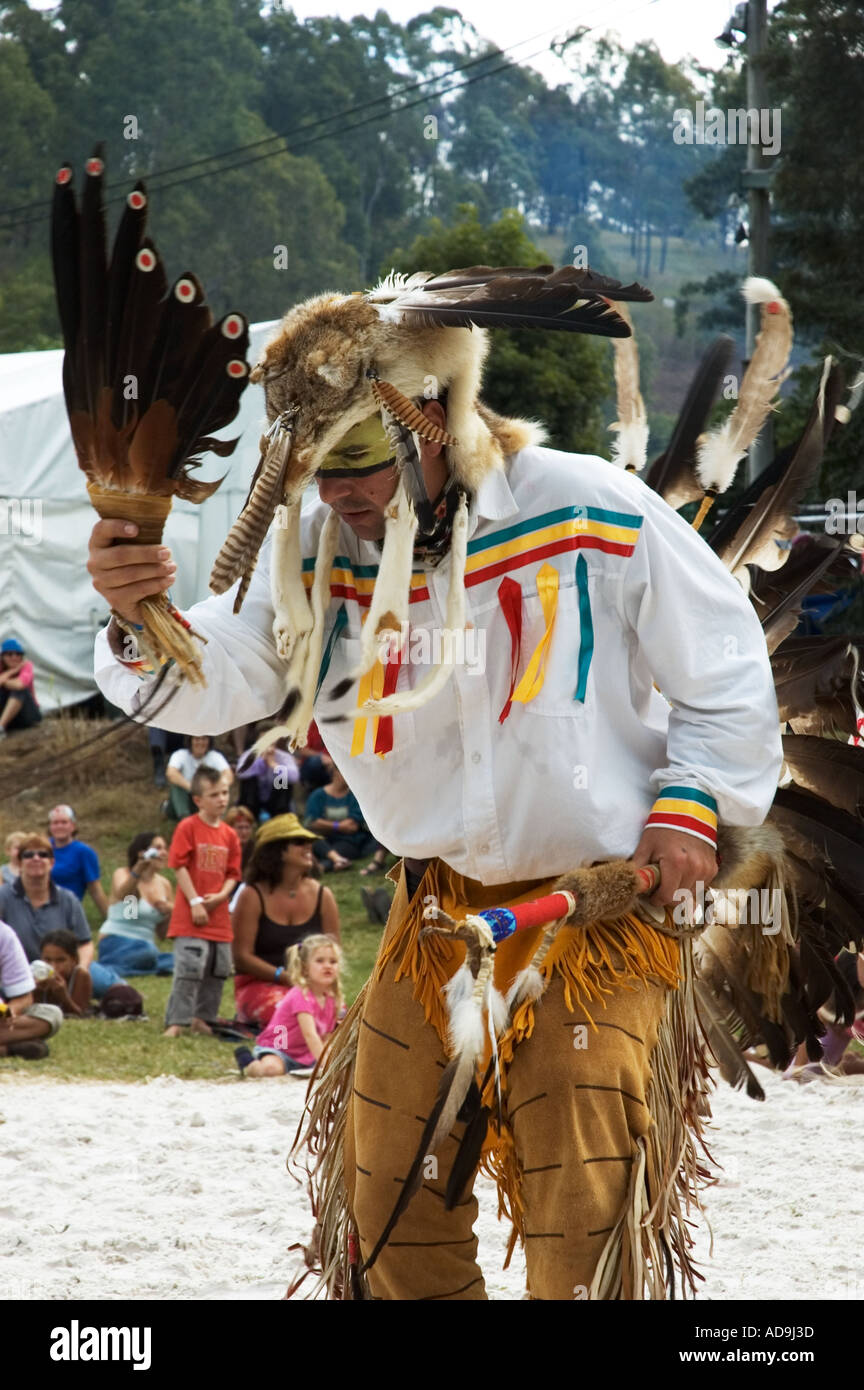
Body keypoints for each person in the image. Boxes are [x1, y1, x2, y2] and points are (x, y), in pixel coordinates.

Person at [88, 270, 782, 1300]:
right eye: (315, 473)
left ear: (437, 415)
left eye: (360, 463)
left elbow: (724, 666)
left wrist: (692, 808)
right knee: (386, 1202)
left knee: (579, 1202)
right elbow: (217, 674)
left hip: (593, 916)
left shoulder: (585, 505)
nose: (339, 495)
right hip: (436, 923)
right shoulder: (320, 551)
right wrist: (132, 614)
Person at [232, 813, 340, 1027]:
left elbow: (333, 951)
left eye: (310, 842)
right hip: (260, 984)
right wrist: (284, 976)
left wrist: (316, 980)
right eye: (300, 842)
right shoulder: (252, 896)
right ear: (277, 851)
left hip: (312, 986)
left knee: (341, 1019)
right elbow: (241, 957)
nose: (309, 847)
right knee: (291, 1013)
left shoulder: (323, 895)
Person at [162, 767, 241, 1037]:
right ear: (198, 800)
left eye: (225, 792)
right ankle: (177, 1021)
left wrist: (221, 896)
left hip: (218, 917)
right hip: (191, 915)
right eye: (214, 794)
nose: (222, 799)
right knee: (189, 968)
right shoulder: (188, 827)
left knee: (217, 970)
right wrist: (195, 900)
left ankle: (203, 1017)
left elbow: (233, 873)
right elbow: (178, 865)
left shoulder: (230, 834)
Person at [235, 934, 343, 1077]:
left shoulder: (332, 999)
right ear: (305, 968)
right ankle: (248, 1062)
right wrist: (327, 1066)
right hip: (281, 1049)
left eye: (333, 961)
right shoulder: (301, 995)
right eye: (320, 961)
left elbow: (327, 1036)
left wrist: (331, 1057)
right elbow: (309, 1034)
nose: (328, 966)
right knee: (271, 1070)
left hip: (307, 1053)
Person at [0, 834, 93, 967]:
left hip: (61, 972)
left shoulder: (68, 899)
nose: (36, 858)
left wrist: (80, 970)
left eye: (43, 854)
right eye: (28, 855)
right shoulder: (2, 897)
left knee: (117, 987)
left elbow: (85, 944)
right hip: (14, 974)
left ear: (52, 863)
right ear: (20, 863)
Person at [97, 833, 175, 976]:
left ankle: (140, 968)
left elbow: (163, 935)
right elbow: (129, 913)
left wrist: (171, 911)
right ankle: (151, 968)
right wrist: (138, 869)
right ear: (142, 853)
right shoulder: (124, 874)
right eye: (158, 848)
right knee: (149, 952)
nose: (164, 852)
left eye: (165, 848)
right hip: (116, 941)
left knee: (179, 959)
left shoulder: (164, 884)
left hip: (145, 947)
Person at [0, 919, 62, 1060]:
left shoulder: (4, 935)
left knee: (51, 1015)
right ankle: (8, 1049)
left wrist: (9, 1012)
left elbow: (24, 997)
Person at [304, 767, 381, 871]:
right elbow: (312, 822)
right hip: (323, 838)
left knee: (344, 849)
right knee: (312, 837)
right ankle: (336, 859)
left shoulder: (355, 796)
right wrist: (338, 826)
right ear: (335, 772)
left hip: (348, 840)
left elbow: (352, 826)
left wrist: (324, 824)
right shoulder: (318, 795)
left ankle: (323, 865)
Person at [48, 806, 109, 918]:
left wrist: (109, 920)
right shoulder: (42, 848)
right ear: (50, 827)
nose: (59, 826)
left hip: (67, 910)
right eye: (55, 823)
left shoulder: (84, 852)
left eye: (64, 822)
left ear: (73, 826)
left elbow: (95, 889)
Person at [164, 735, 232, 821]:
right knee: (176, 786)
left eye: (204, 739)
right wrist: (193, 788)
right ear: (191, 741)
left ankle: (217, 817)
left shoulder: (215, 756)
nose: (200, 742)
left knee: (219, 792)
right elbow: (171, 773)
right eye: (197, 739)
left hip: (205, 799)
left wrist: (215, 788)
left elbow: (228, 775)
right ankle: (184, 818)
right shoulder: (180, 754)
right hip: (186, 797)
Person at [34, 929, 93, 1016]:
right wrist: (36, 992)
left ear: (74, 960)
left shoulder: (80, 975)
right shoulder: (35, 975)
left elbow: (81, 1014)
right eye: (47, 960)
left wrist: (63, 996)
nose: (53, 967)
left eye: (60, 960)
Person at [236, 742, 299, 820]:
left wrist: (274, 765)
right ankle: (248, 818)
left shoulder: (283, 757)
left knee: (282, 778)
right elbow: (240, 773)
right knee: (249, 780)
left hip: (275, 799)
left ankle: (280, 817)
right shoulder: (249, 754)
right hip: (254, 799)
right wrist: (260, 761)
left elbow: (294, 778)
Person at [0, 637, 42, 737]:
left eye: (18, 654)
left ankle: (0, 727)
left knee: (20, 690)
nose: (14, 657)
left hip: (29, 715)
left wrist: (2, 681)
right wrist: (13, 671)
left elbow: (20, 685)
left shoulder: (27, 666)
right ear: (3, 657)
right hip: (11, 718)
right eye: (10, 654)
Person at [225, 806, 257, 875]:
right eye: (240, 827)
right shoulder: (223, 847)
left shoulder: (256, 850)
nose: (244, 832)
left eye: (247, 827)